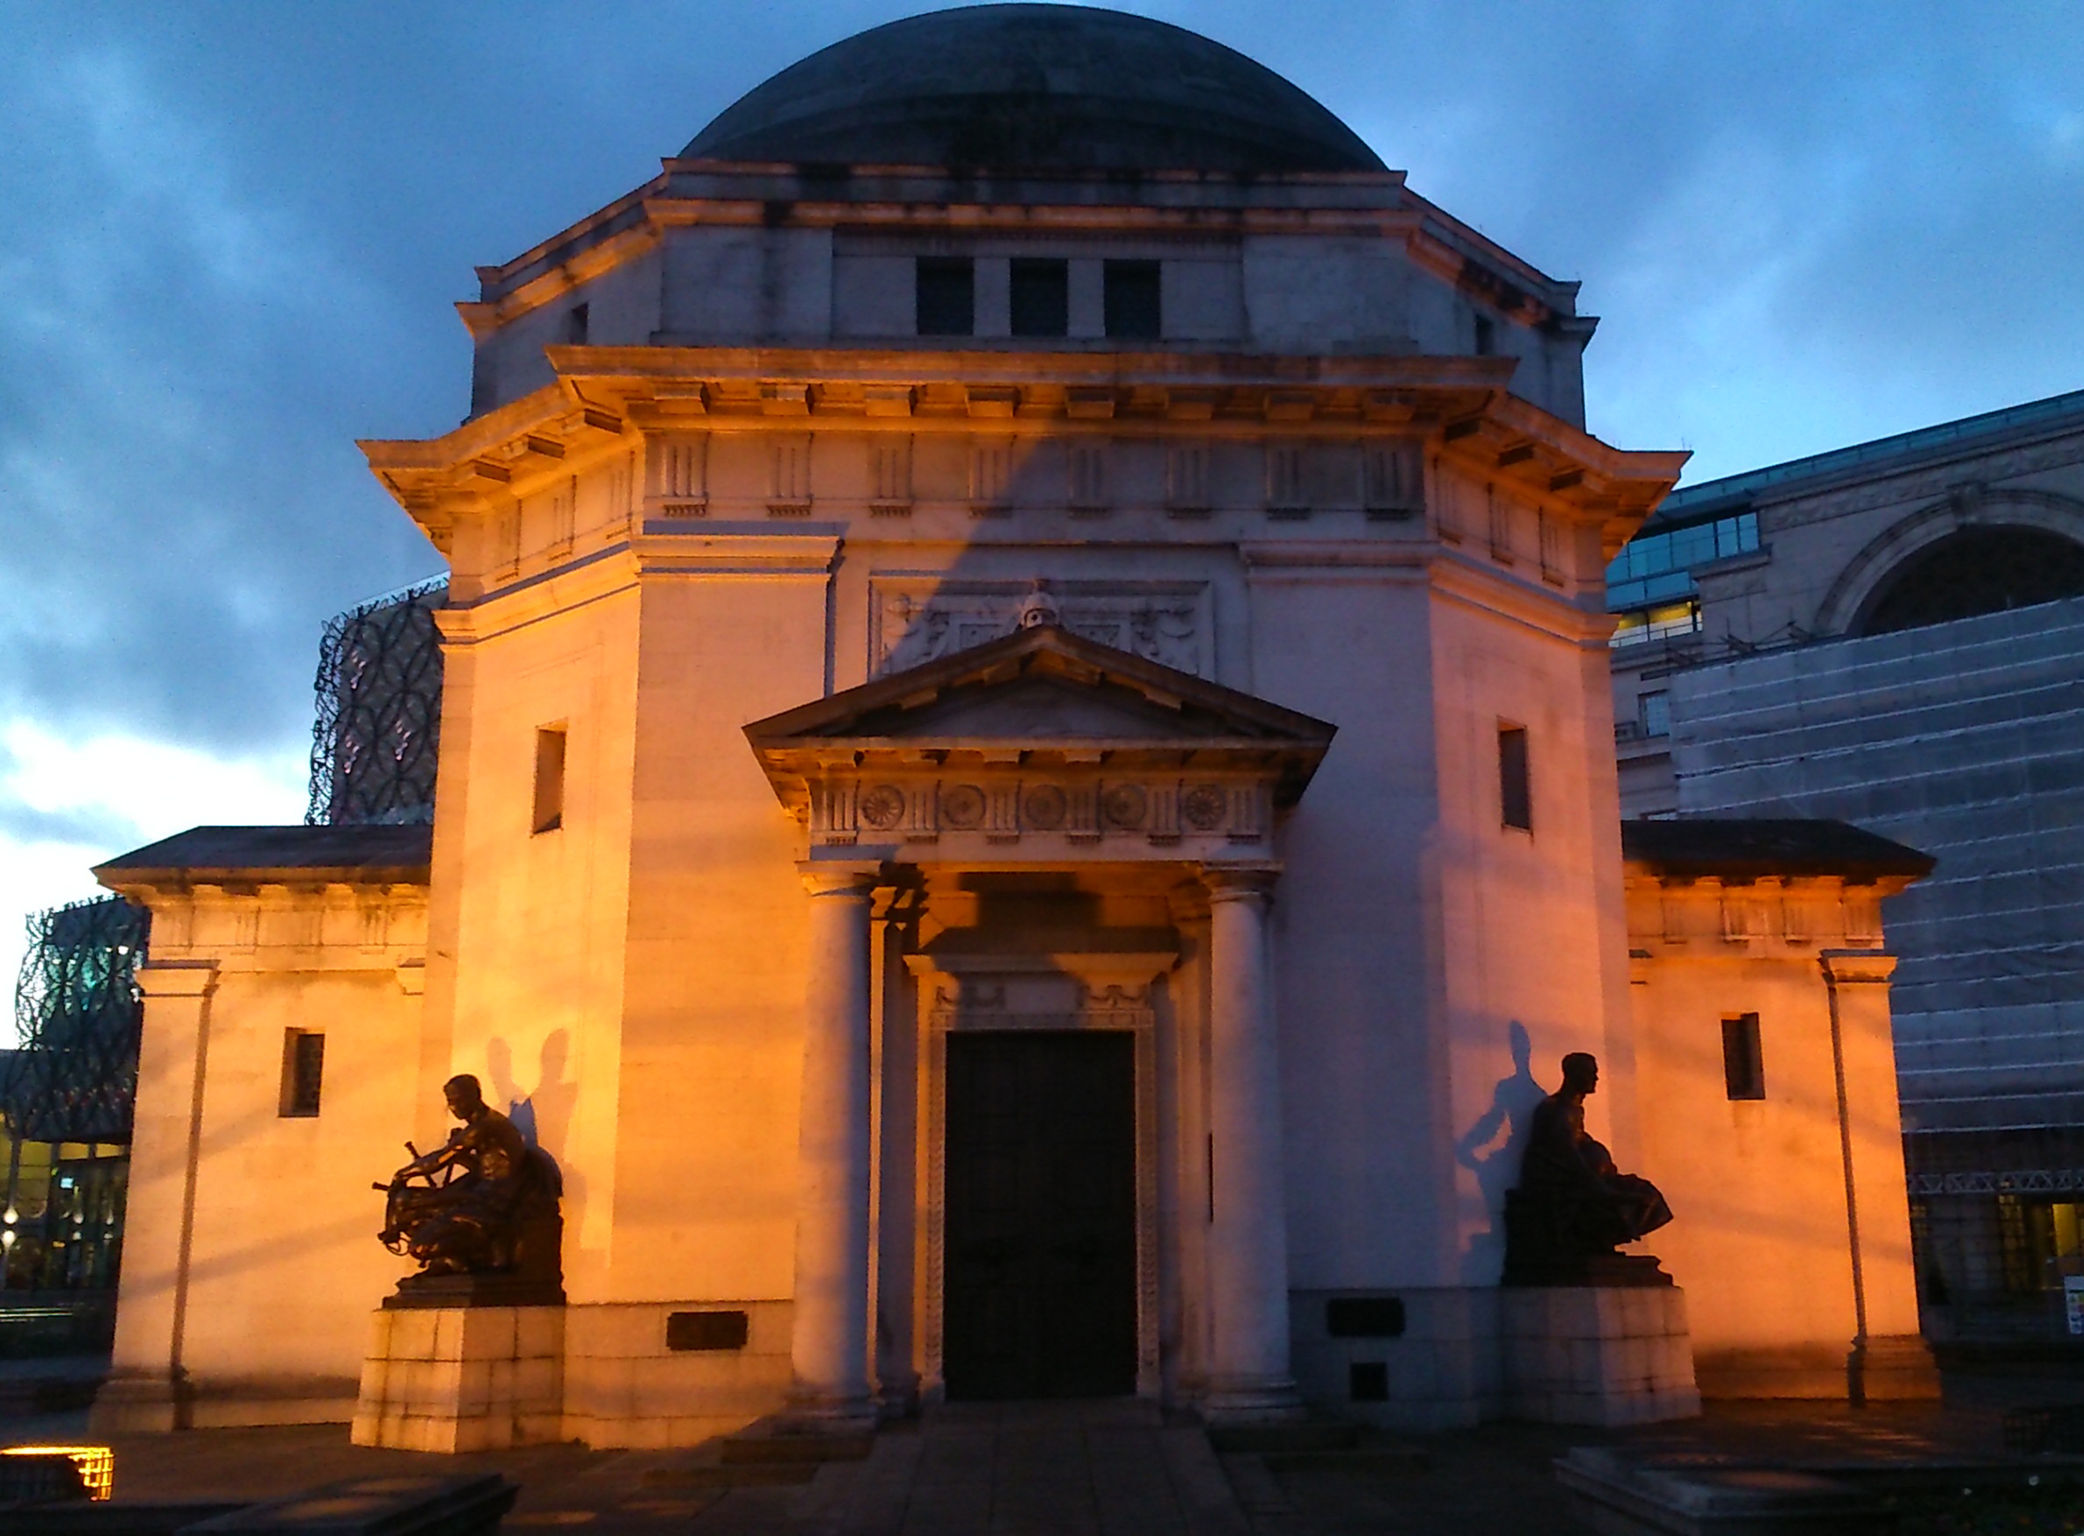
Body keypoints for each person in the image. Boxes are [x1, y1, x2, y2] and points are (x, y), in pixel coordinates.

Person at [378, 1073, 553, 1277]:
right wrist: (462, 1158)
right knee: (406, 1201)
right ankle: (451, 1255)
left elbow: (437, 1161)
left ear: (475, 1096)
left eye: (458, 1100)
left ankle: (459, 1258)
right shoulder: (487, 1124)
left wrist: (401, 1175)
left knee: (418, 1245)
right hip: (478, 1189)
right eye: (450, 1102)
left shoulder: (483, 1127)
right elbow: (485, 1165)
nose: (453, 1108)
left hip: (490, 1198)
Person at [1515, 1052, 1672, 1260]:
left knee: (1646, 1193)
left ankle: (1603, 1241)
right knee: (1641, 1198)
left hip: (1591, 1180)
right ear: (1573, 1074)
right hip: (1569, 1185)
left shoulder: (1573, 1108)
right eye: (1591, 1073)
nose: (1596, 1078)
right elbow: (1571, 1159)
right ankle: (1599, 1240)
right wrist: (1605, 1190)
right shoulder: (1558, 1110)